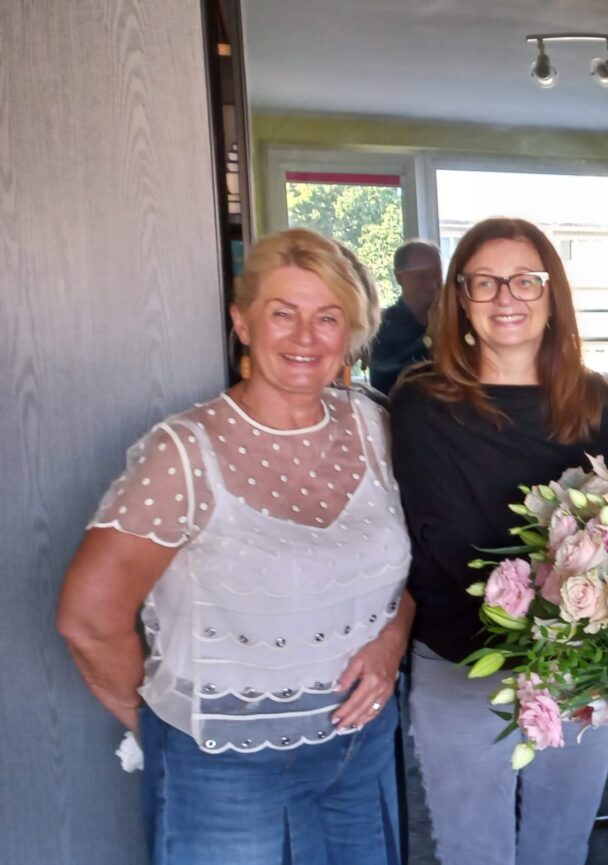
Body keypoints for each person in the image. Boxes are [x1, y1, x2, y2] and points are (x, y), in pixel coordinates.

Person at [57, 227, 413, 864]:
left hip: (361, 749)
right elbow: (88, 620)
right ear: (243, 323)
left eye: (327, 318)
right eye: (283, 314)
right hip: (224, 772)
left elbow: (409, 571)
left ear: (349, 334)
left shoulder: (375, 425)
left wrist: (390, 643)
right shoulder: (183, 453)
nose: (305, 338)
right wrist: (161, 728)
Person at [388, 217, 608, 865]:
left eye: (526, 280)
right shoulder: (421, 401)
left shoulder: (599, 402)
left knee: (560, 847)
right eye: (485, 282)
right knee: (476, 853)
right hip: (461, 662)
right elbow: (443, 537)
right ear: (459, 299)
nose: (507, 297)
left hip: (576, 665)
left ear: (553, 296)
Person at [370, 239, 442, 396]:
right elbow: (391, 372)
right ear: (399, 278)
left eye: (437, 275)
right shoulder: (381, 326)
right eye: (422, 276)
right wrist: (430, 338)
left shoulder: (456, 323)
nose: (433, 284)